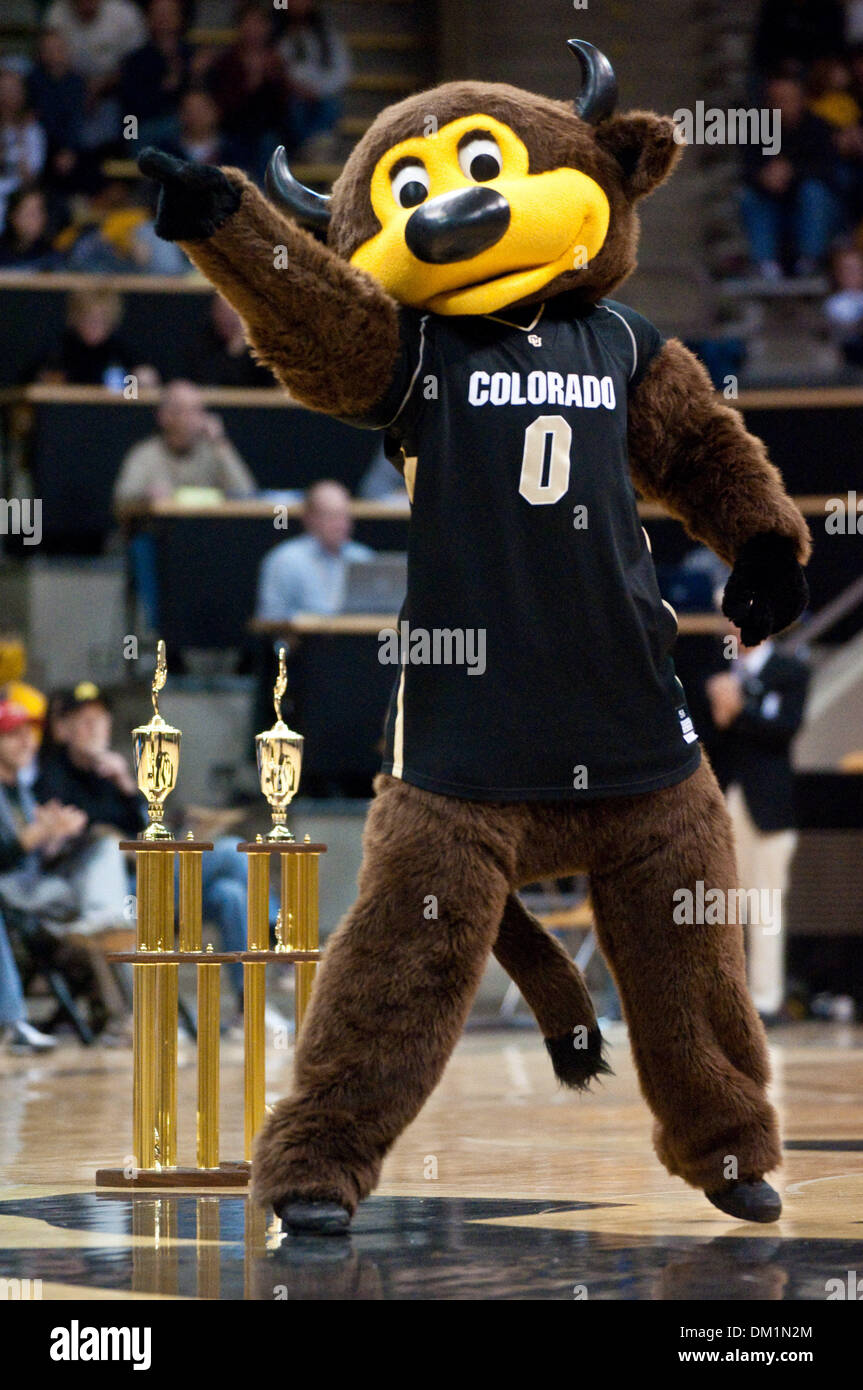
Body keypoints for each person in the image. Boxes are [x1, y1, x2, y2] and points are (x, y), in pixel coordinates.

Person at [705, 623, 810, 1020]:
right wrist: (720, 707)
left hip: (769, 805)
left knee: (766, 902)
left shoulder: (790, 670)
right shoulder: (719, 671)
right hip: (725, 799)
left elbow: (784, 729)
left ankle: (765, 1000)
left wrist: (740, 709)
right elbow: (707, 735)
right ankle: (725, 997)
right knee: (719, 903)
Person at [741, 71, 842, 278]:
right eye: (775, 100)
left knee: (814, 192)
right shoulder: (757, 128)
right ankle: (766, 264)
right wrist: (765, 177)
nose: (780, 106)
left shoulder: (819, 128)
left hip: (813, 209)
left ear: (801, 100)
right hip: (774, 206)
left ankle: (810, 261)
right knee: (749, 197)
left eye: (786, 100)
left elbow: (828, 171)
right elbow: (747, 171)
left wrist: (792, 172)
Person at [113, 378, 257, 510]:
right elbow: (122, 499)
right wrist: (145, 497)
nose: (194, 420)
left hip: (206, 531)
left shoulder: (212, 451)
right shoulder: (146, 454)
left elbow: (246, 493)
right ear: (165, 416)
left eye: (198, 411)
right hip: (157, 533)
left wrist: (220, 443)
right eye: (186, 411)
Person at [36, 683, 144, 839]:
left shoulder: (113, 775)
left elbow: (144, 825)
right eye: (85, 720)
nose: (94, 728)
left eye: (100, 719)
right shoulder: (52, 777)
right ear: (63, 729)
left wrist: (127, 785)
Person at [255, 480, 373, 622]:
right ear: (310, 518)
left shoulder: (363, 558)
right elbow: (270, 618)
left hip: (356, 640)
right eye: (332, 516)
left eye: (344, 516)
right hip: (303, 641)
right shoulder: (285, 559)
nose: (341, 524)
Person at [43, 0, 147, 150]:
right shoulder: (57, 13)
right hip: (72, 88)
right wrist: (81, 87)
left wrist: (102, 85)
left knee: (135, 95)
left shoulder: (124, 13)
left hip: (117, 89)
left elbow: (138, 62)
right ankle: (62, 149)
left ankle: (127, 148)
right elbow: (50, 57)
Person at [205, 2, 289, 179]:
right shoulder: (226, 62)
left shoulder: (276, 63)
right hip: (232, 129)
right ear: (239, 26)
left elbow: (282, 108)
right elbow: (223, 106)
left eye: (258, 23)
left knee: (269, 144)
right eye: (248, 23)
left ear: (267, 27)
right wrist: (250, 82)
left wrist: (268, 78)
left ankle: (263, 198)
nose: (253, 29)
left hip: (266, 131)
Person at [35, 287, 159, 387]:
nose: (94, 326)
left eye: (101, 320)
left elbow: (132, 395)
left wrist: (138, 383)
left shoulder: (121, 353)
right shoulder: (59, 350)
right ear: (75, 318)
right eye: (88, 319)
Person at [277, 0, 350, 159]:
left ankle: (312, 147)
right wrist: (295, 87)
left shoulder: (327, 37)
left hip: (320, 97)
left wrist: (315, 91)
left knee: (331, 105)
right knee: (290, 108)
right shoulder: (275, 36)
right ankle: (307, 148)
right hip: (289, 98)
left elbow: (341, 74)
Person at [119, 0, 192, 148]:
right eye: (159, 14)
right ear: (148, 19)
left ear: (180, 18)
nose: (164, 19)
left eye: (169, 13)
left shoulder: (193, 57)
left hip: (187, 128)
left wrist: (190, 75)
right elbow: (130, 112)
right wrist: (164, 89)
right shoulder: (134, 61)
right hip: (146, 130)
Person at [26, 27, 86, 191]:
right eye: (48, 50)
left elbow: (76, 118)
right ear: (40, 54)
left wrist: (69, 149)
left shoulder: (76, 82)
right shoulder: (33, 80)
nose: (54, 55)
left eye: (58, 49)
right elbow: (32, 116)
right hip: (42, 143)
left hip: (69, 145)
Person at [183, 292, 274, 388]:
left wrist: (240, 346)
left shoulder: (263, 345)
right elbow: (207, 380)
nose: (227, 320)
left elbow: (267, 383)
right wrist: (232, 350)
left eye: (233, 314)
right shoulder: (203, 342)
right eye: (221, 312)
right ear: (213, 314)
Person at [0, 68, 47, 235]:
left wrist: (20, 140)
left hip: (18, 199)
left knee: (27, 209)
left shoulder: (33, 130)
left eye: (13, 91)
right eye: (3, 91)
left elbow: (30, 180)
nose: (8, 97)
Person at [0, 186, 63, 270]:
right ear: (13, 216)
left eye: (40, 212)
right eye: (30, 214)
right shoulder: (2, 250)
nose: (37, 219)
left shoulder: (52, 256)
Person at [824, 244, 863, 364]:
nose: (853, 274)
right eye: (847, 269)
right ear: (837, 273)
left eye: (858, 269)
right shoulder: (834, 303)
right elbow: (839, 329)